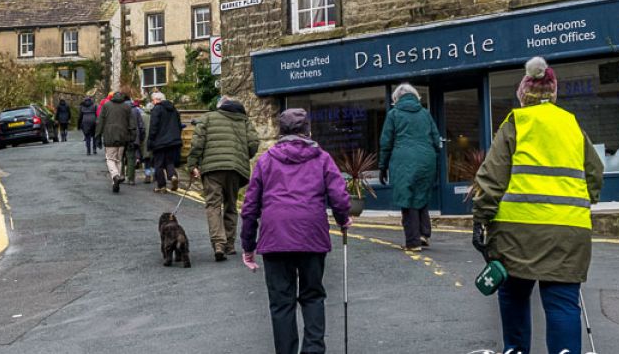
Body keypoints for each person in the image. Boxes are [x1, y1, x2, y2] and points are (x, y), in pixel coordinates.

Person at [473, 57, 603, 354]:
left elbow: (492, 177)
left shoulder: (516, 123)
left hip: (516, 232)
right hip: (570, 230)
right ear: (554, 93)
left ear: (522, 93)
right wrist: (584, 200)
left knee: (514, 296)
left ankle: (516, 350)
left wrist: (480, 219)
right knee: (562, 303)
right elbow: (595, 172)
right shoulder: (571, 124)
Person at [240, 109, 352, 354]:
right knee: (312, 296)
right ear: (307, 130)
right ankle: (313, 350)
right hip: (312, 236)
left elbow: (249, 208)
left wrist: (248, 246)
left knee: (281, 303)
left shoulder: (266, 160)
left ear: (281, 132)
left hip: (275, 238)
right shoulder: (321, 158)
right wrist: (344, 220)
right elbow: (339, 198)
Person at [187, 96, 260, 261]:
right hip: (235, 169)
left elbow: (197, 143)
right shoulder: (244, 121)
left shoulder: (207, 117)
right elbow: (253, 143)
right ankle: (229, 245)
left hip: (212, 169)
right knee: (231, 205)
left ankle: (218, 244)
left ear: (220, 107)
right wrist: (243, 156)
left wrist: (192, 165)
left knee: (213, 205)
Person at [378, 83, 440, 251]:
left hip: (403, 159)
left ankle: (413, 242)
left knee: (408, 199)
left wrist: (383, 167)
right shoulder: (425, 114)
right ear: (415, 97)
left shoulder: (394, 115)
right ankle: (424, 234)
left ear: (396, 99)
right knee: (421, 195)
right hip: (427, 158)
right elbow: (436, 140)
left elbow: (386, 142)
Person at [96, 88, 138, 193]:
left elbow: (100, 121)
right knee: (119, 160)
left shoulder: (106, 106)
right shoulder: (127, 107)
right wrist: (132, 136)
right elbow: (132, 124)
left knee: (110, 159)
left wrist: (97, 136)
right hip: (123, 136)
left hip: (109, 136)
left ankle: (115, 176)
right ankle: (116, 182)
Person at [147, 91, 183, 192]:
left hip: (159, 141)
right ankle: (172, 176)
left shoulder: (157, 109)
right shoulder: (174, 109)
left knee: (158, 164)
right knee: (169, 161)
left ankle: (161, 186)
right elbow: (179, 125)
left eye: (153, 100)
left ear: (156, 100)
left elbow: (153, 126)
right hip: (173, 141)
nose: (153, 102)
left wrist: (150, 140)